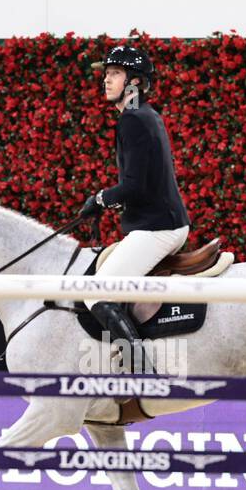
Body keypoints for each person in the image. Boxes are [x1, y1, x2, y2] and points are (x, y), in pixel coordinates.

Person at [79, 46, 191, 375]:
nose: (106, 79)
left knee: (95, 293)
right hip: (161, 222)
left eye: (114, 74)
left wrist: (99, 199)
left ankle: (139, 368)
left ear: (135, 82)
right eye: (106, 74)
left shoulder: (132, 118)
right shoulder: (145, 114)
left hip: (158, 228)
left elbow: (135, 186)